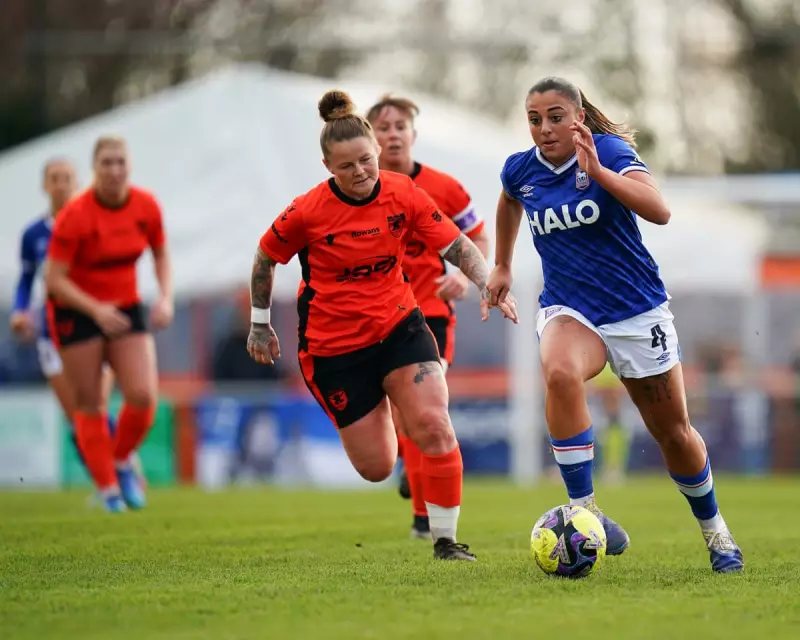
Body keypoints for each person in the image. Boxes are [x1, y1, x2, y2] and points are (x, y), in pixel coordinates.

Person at [247, 89, 517, 561]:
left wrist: (484, 282)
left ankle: (444, 540)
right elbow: (266, 257)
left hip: (400, 326)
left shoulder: (405, 192)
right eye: (346, 166)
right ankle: (391, 440)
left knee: (434, 422)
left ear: (377, 153)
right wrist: (258, 324)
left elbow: (457, 244)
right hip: (333, 348)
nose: (360, 172)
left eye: (366, 161)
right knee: (374, 466)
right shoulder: (308, 211)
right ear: (329, 166)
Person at [487, 76, 743, 573]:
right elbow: (508, 200)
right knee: (559, 373)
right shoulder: (521, 170)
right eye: (534, 119)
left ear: (578, 117)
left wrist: (598, 173)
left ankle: (717, 534)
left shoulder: (608, 151)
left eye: (555, 116)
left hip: (636, 311)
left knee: (674, 435)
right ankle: (585, 513)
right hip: (569, 308)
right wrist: (500, 264)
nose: (544, 128)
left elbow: (660, 211)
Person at [366, 95, 490, 540]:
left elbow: (477, 235)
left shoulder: (445, 188)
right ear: (369, 137)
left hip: (430, 313)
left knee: (427, 412)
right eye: (383, 127)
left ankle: (425, 519)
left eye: (401, 125)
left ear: (414, 135)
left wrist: (462, 273)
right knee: (403, 419)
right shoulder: (355, 195)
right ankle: (409, 468)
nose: (393, 133)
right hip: (376, 318)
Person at [44, 136, 173, 513]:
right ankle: (108, 492)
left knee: (143, 395)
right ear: (94, 168)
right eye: (106, 163)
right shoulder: (75, 214)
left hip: (124, 307)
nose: (114, 170)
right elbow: (54, 279)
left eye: (120, 162)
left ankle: (119, 463)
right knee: (90, 403)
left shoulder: (145, 205)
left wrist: (165, 296)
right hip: (75, 310)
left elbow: (161, 254)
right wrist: (95, 309)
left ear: (129, 166)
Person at [9, 159, 136, 497]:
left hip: (91, 329)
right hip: (52, 333)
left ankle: (122, 474)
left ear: (77, 182)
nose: (62, 185)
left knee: (94, 406)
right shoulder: (33, 235)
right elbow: (25, 279)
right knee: (78, 419)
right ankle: (108, 482)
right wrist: (19, 311)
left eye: (67, 178)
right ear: (45, 186)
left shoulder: (92, 225)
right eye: (55, 179)